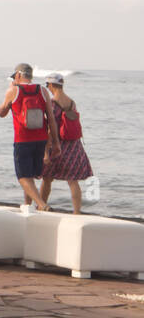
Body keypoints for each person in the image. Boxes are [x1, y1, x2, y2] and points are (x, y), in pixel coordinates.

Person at [0, 62, 60, 210]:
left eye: (15, 76)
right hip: (40, 139)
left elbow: (1, 113)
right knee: (31, 175)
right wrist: (56, 143)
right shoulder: (43, 91)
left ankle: (42, 204)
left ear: (19, 75)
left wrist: (9, 91)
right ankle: (27, 205)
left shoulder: (13, 91)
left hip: (23, 139)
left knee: (23, 177)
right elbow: (51, 118)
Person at [39, 73, 93, 214]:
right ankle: (77, 212)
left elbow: (50, 128)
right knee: (73, 181)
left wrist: (46, 151)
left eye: (48, 85)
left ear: (51, 85)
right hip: (73, 146)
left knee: (47, 179)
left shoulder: (51, 103)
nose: (48, 88)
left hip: (56, 145)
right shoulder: (71, 102)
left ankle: (41, 206)